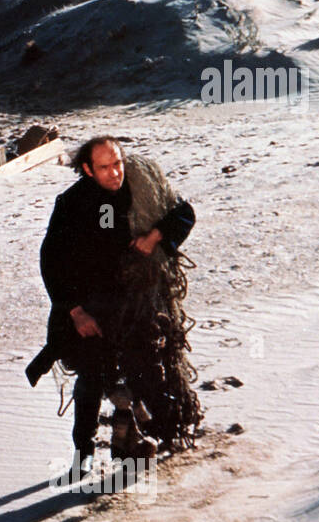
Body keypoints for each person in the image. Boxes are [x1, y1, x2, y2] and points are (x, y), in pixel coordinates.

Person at [28, 136, 200, 480]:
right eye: (104, 167)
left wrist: (154, 237)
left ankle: (152, 435)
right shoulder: (72, 204)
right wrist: (76, 312)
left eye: (117, 163)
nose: (115, 172)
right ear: (88, 169)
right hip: (87, 307)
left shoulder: (137, 190)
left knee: (145, 366)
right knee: (91, 377)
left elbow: (184, 213)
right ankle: (84, 457)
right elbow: (51, 262)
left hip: (131, 304)